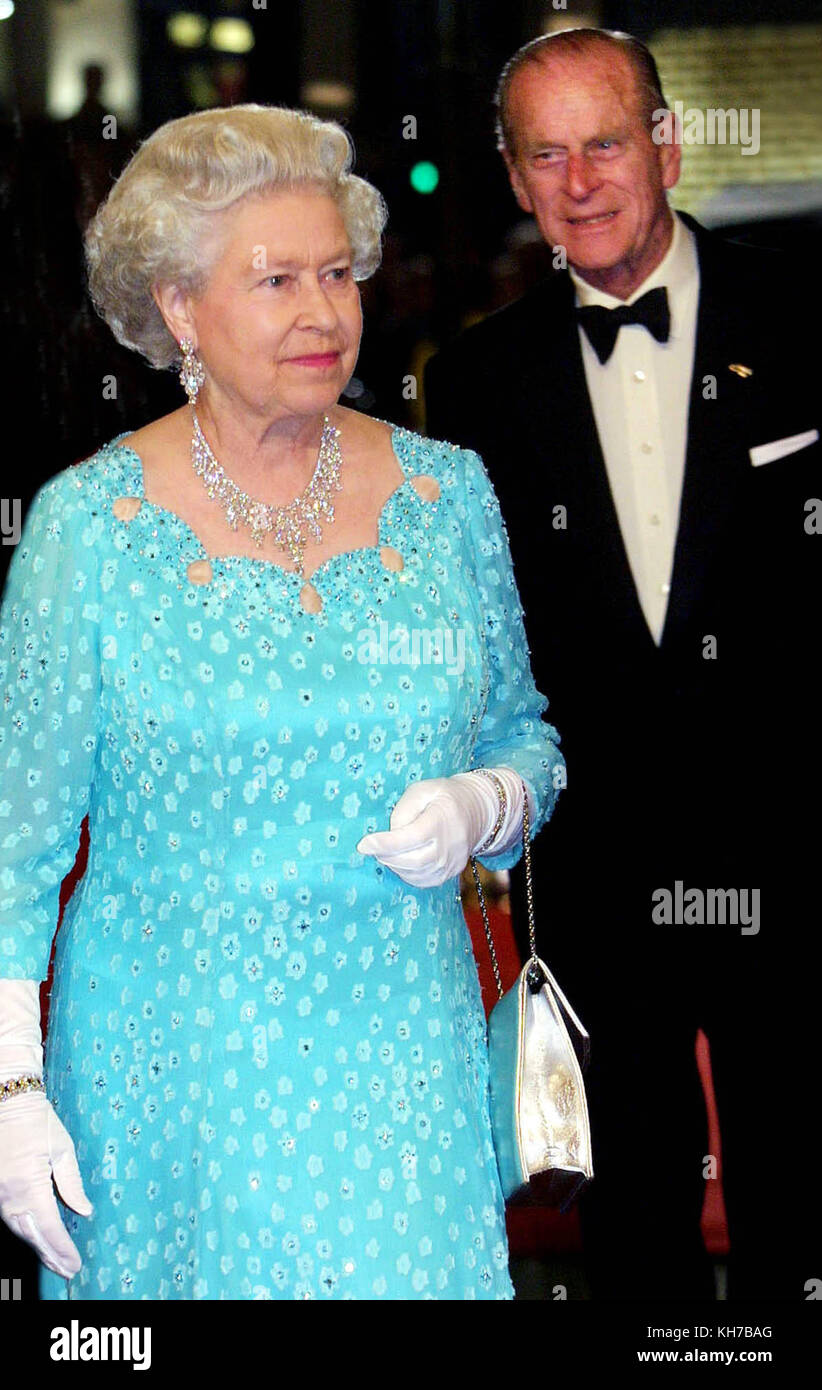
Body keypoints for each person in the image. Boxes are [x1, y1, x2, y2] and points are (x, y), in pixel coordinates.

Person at [0, 104, 563, 1301]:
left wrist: (486, 801)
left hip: (405, 1069)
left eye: (338, 274)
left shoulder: (447, 493)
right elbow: (15, 848)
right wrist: (10, 1092)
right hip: (166, 1079)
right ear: (179, 307)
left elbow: (530, 738)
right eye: (276, 281)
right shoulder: (87, 528)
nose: (323, 312)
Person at [425, 28, 820, 1301]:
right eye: (547, 154)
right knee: (636, 1218)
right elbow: (483, 634)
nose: (580, 181)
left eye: (605, 142)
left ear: (667, 143)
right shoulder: (478, 379)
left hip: (796, 854)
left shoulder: (811, 317)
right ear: (513, 174)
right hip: (600, 875)